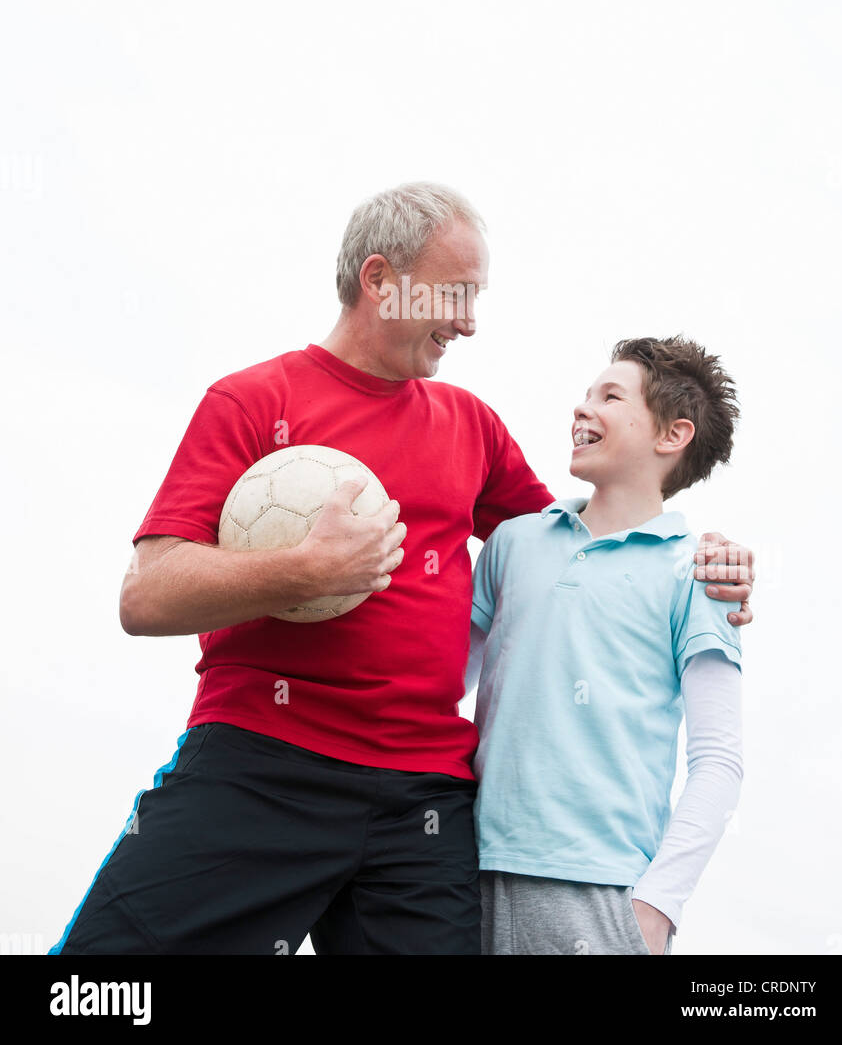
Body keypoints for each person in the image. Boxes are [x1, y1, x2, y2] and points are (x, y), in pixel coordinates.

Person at [48, 186, 754, 956]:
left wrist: (705, 552)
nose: (469, 321)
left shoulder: (471, 427)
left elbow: (582, 542)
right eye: (456, 294)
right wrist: (306, 569)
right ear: (380, 280)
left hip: (426, 805)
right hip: (260, 763)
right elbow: (146, 593)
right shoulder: (252, 400)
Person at [469, 336, 745, 955]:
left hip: (600, 896)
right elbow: (435, 685)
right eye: (585, 394)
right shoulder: (512, 544)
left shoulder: (700, 574)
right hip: (466, 872)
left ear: (671, 436)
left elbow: (719, 762)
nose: (582, 408)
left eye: (610, 397)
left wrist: (654, 907)